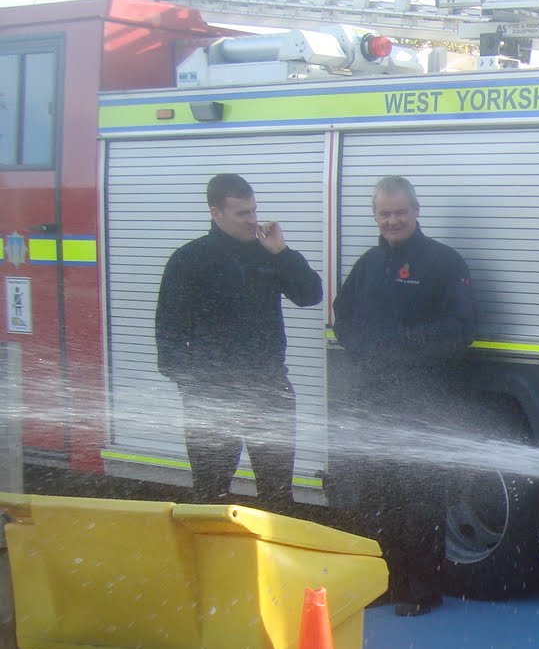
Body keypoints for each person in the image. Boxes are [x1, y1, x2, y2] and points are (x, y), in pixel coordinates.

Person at [332, 176, 475, 617]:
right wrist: (365, 350)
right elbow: (343, 316)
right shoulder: (369, 265)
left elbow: (463, 327)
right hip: (374, 397)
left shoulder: (444, 263)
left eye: (400, 212)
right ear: (375, 216)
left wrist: (404, 347)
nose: (392, 220)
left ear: (416, 211)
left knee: (420, 495)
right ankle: (383, 583)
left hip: (424, 400)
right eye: (384, 213)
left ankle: (420, 588)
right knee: (377, 493)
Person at [154, 173, 323, 511]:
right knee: (210, 495)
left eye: (254, 210)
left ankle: (271, 561)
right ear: (216, 213)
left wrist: (282, 252)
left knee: (278, 496)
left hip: (269, 391)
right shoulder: (188, 260)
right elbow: (168, 341)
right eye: (243, 213)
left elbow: (310, 295)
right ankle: (215, 561)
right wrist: (199, 386)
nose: (253, 220)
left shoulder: (267, 254)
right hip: (212, 398)